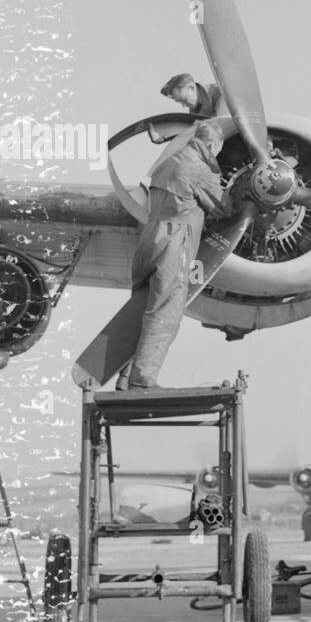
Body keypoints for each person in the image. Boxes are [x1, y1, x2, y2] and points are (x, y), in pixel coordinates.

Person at [118, 121, 234, 390]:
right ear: (213, 145)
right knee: (165, 313)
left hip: (150, 238)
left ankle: (124, 378)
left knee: (143, 311)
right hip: (176, 243)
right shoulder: (197, 169)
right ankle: (142, 380)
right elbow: (224, 207)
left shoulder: (167, 164)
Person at [160, 73, 228, 119]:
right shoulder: (194, 115)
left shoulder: (223, 93)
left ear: (192, 87)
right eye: (180, 102)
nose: (183, 106)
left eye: (184, 100)